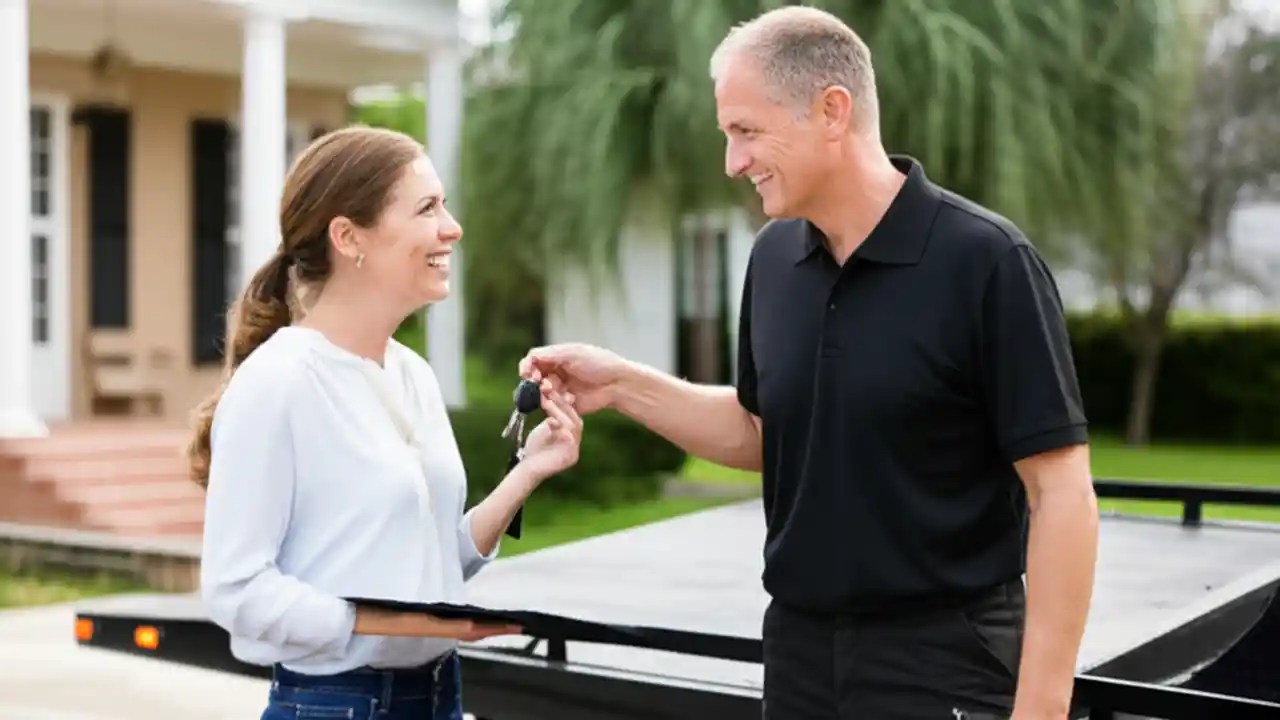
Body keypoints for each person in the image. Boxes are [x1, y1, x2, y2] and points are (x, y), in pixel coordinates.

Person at [520, 7, 1098, 720]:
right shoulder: (773, 259)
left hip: (944, 661)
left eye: (746, 131)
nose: (733, 162)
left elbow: (1062, 494)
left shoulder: (986, 262)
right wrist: (620, 384)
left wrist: (1042, 709)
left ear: (832, 111)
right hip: (796, 656)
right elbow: (766, 433)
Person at [189, 126, 584, 720]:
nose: (451, 227)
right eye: (427, 208)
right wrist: (395, 622)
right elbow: (235, 589)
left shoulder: (412, 374)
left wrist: (529, 472)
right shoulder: (279, 382)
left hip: (438, 697)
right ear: (348, 237)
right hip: (334, 705)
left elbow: (431, 564)